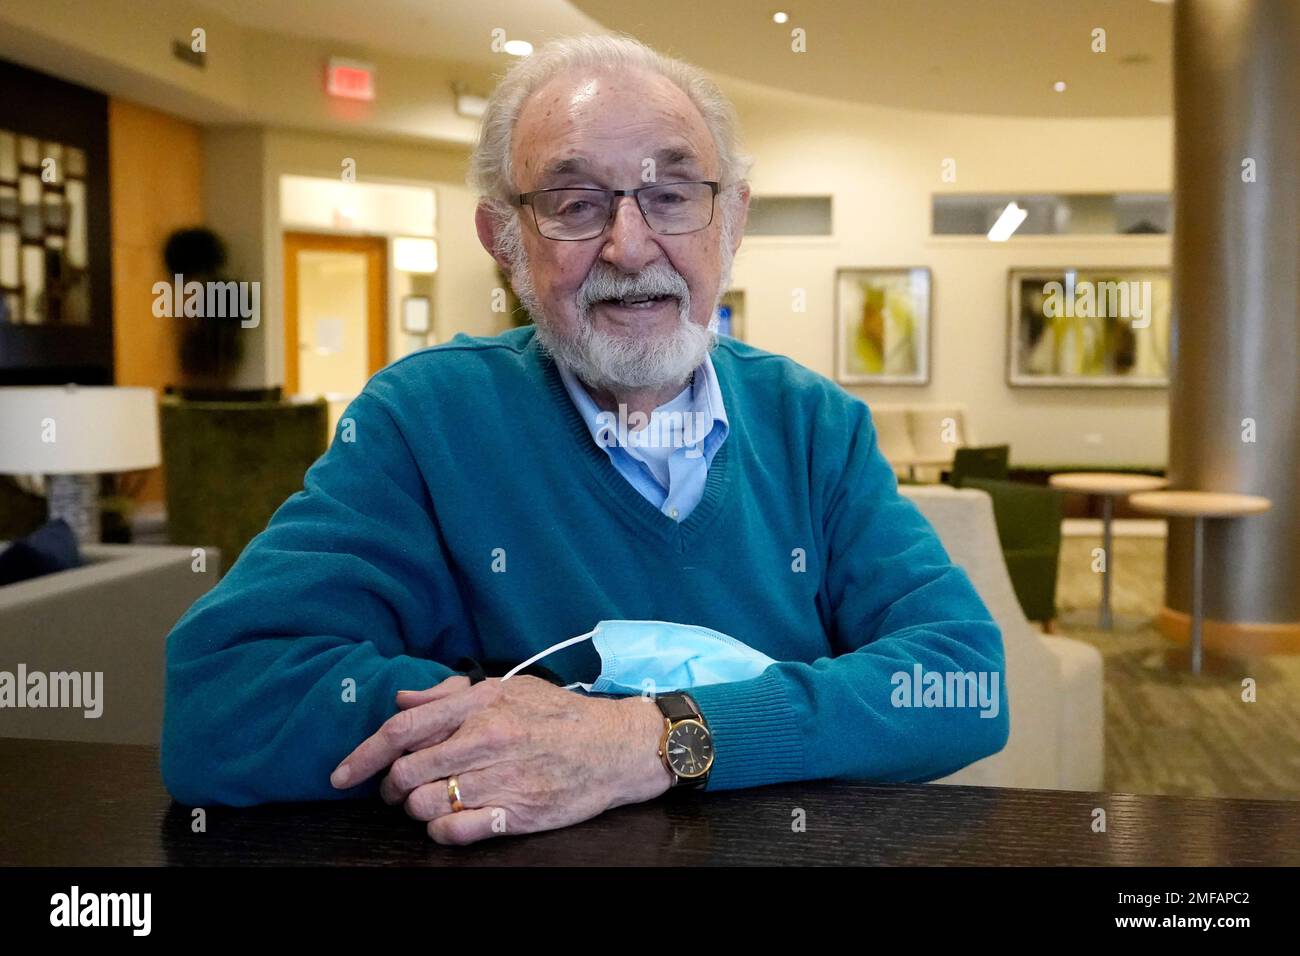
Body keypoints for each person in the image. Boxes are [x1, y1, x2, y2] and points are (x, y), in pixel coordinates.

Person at [161, 34, 1008, 845]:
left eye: (672, 196)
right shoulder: (424, 420)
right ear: (505, 241)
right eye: (574, 204)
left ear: (733, 221)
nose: (630, 245)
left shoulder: (815, 424)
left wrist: (642, 739)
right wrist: (509, 727)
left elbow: (965, 680)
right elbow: (219, 703)